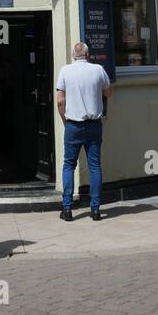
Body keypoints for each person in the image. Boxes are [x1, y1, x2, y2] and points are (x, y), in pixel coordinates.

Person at [56, 42, 112, 221]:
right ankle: (95, 210)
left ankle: (67, 209)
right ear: (87, 55)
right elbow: (109, 93)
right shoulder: (98, 70)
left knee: (69, 165)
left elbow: (60, 101)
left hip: (73, 125)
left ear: (73, 55)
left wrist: (65, 121)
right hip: (94, 124)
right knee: (94, 166)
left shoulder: (65, 71)